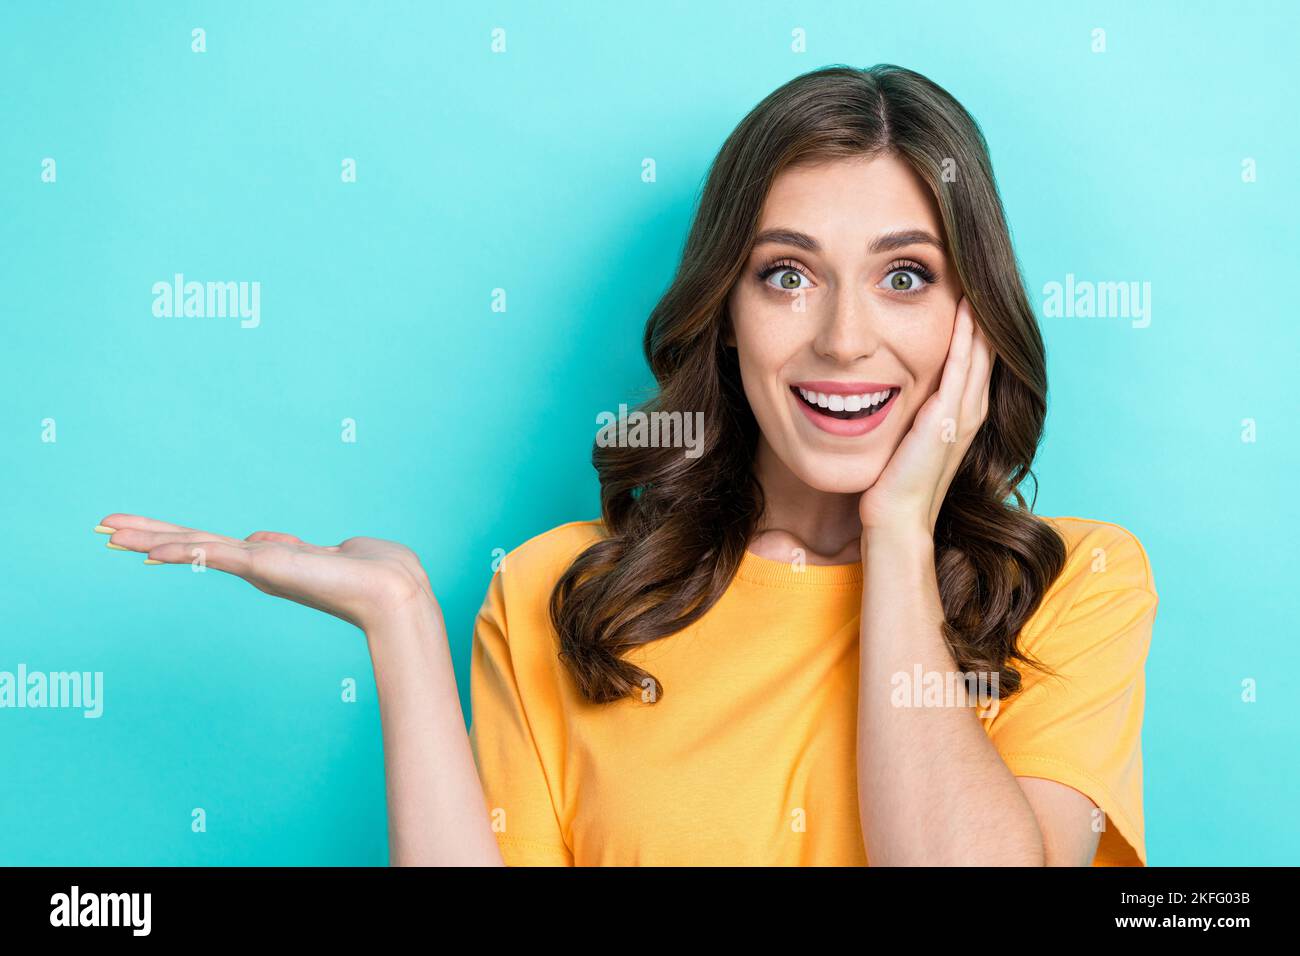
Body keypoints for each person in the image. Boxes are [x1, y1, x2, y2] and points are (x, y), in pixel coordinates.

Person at [97, 63, 1158, 867]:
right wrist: (402, 622)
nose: (842, 338)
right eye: (787, 274)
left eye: (905, 276)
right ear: (728, 314)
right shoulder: (565, 593)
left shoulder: (1078, 585)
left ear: (973, 316)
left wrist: (894, 530)